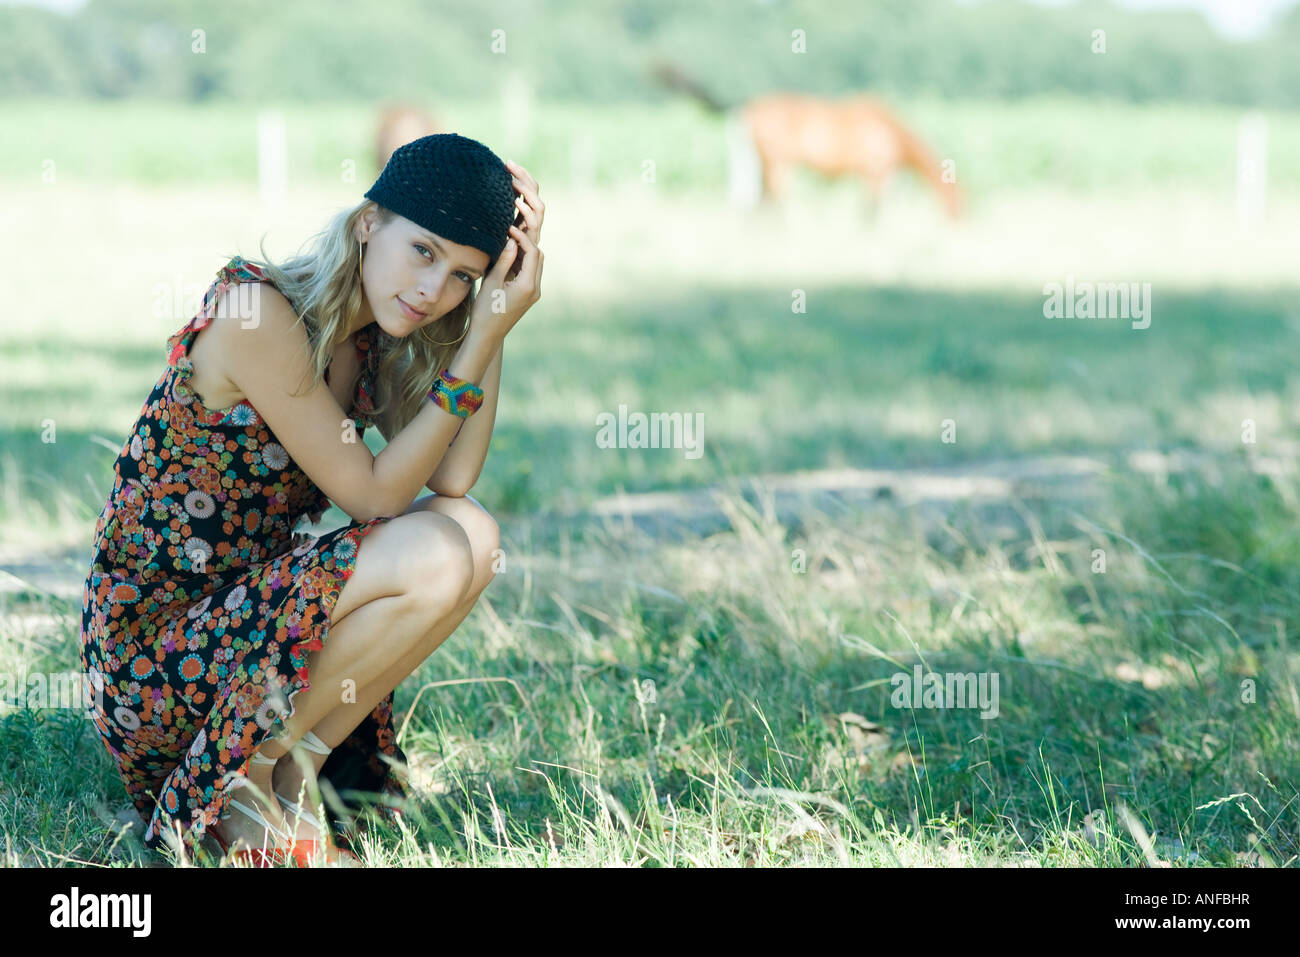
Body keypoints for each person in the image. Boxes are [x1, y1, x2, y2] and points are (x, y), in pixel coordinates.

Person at [79, 133, 544, 866]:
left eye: (464, 275)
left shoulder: (369, 344)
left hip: (250, 628)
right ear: (369, 222)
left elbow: (453, 479)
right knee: (430, 546)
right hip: (157, 661)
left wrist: (492, 324)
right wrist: (479, 330)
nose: (434, 290)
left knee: (472, 535)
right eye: (423, 251)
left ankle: (289, 763)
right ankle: (238, 782)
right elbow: (375, 498)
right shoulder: (257, 313)